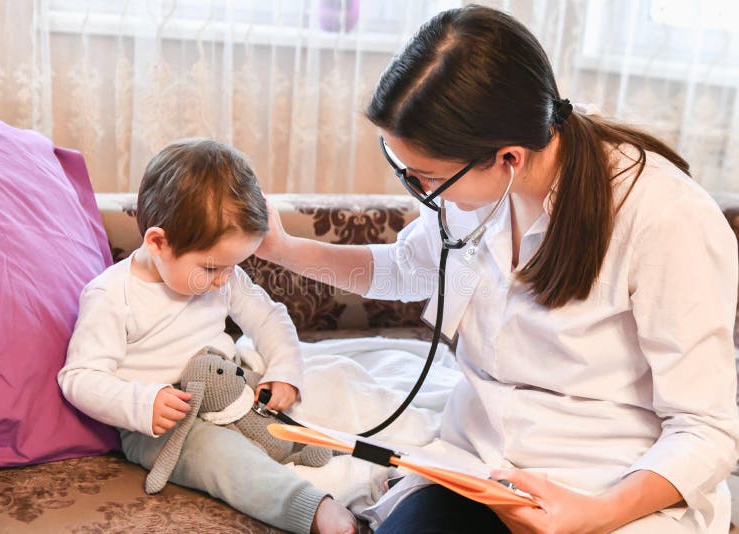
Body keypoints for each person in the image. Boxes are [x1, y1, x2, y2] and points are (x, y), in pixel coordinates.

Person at [254, 5, 739, 533]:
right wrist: (280, 249)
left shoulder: (666, 218)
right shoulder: (471, 189)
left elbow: (707, 428)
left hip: (607, 488)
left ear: (509, 158)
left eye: (426, 177)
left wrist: (592, 514)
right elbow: (407, 268)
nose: (421, 192)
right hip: (477, 469)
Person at [58, 139, 357, 534]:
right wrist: (143, 403)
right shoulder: (111, 297)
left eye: (233, 267)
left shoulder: (225, 276)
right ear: (158, 242)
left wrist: (285, 370)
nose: (223, 280)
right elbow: (78, 378)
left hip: (227, 389)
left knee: (327, 395)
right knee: (219, 456)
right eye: (213, 268)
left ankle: (359, 468)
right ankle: (309, 507)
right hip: (163, 424)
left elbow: (269, 318)